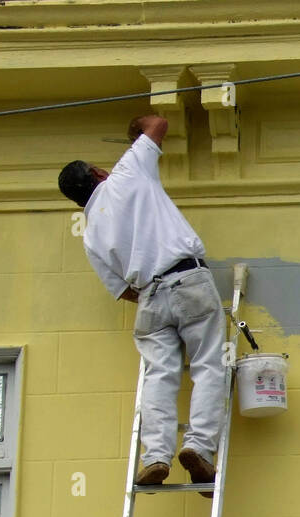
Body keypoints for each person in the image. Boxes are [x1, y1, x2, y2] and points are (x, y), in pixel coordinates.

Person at [57, 114, 224, 491]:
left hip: (149, 297)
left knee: (159, 377)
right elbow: (158, 123)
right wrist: (135, 129)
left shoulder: (90, 235)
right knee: (208, 365)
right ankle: (198, 446)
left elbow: (124, 292)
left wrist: (155, 293)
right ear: (99, 173)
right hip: (187, 277)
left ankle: (155, 457)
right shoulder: (127, 172)